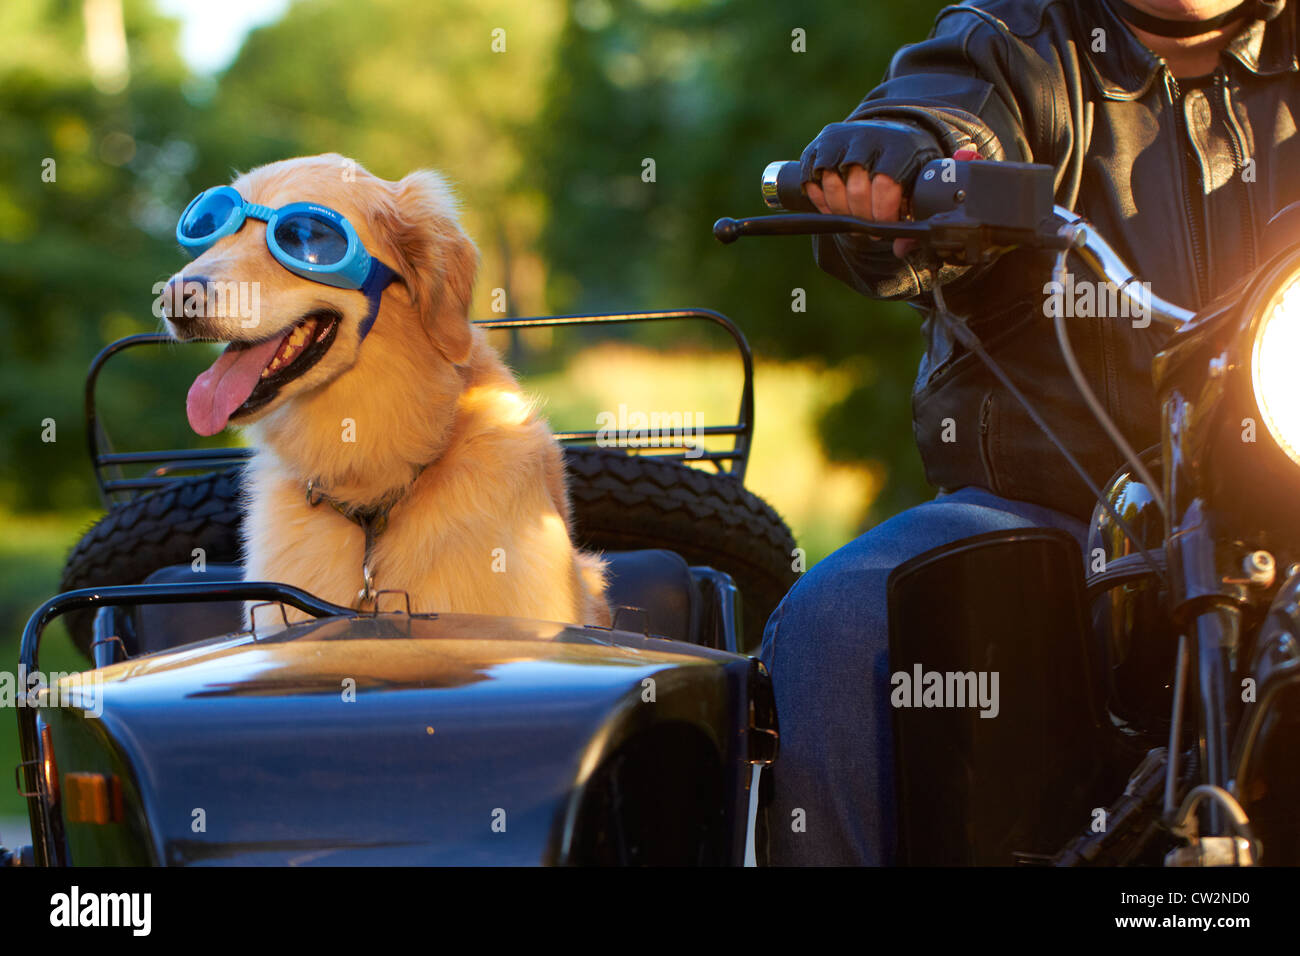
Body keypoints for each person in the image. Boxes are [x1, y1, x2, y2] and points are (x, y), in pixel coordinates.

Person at [759, 0, 1299, 865]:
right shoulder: (1016, 42)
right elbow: (947, 111)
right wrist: (906, 158)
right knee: (848, 623)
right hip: (1056, 512)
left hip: (1288, 514)